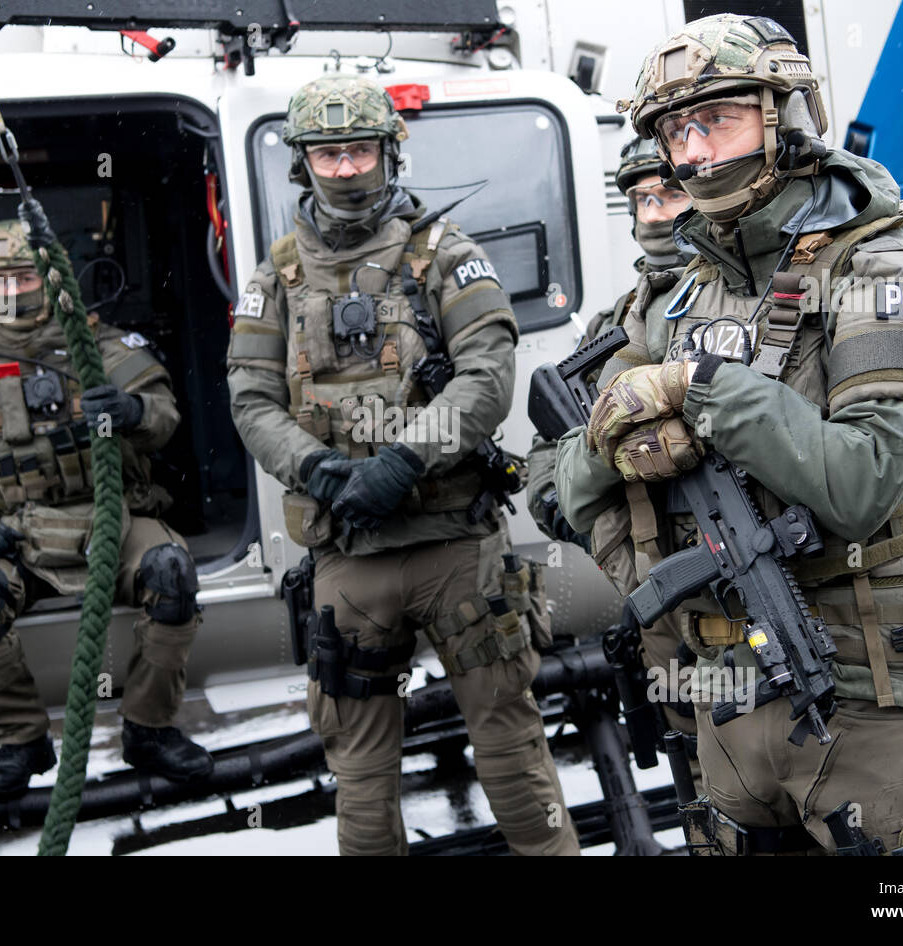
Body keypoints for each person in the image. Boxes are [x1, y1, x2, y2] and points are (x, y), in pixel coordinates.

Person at [555, 13, 903, 855]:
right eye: (675, 131)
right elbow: (563, 484)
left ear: (785, 116)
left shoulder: (886, 267)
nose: (694, 151)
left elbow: (860, 484)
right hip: (725, 710)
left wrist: (698, 391)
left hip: (869, 703)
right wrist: (618, 456)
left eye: (717, 119)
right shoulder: (681, 294)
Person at [227, 75, 579, 855]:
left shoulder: (446, 254)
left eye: (359, 151)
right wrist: (321, 471)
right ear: (303, 164)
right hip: (348, 554)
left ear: (389, 153)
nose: (346, 169)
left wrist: (401, 463)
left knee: (514, 752)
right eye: (329, 153)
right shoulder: (275, 278)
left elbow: (487, 376)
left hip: (456, 545)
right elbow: (251, 401)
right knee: (360, 775)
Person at [0, 219, 211, 799]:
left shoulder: (102, 344)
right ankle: (20, 741)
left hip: (113, 518)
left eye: (24, 275)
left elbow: (165, 416)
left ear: (49, 277)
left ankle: (149, 728)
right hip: (19, 535)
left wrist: (133, 411)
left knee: (171, 571)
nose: (12, 290)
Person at [524, 135, 699, 762]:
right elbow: (555, 441)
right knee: (701, 784)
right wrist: (566, 501)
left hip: (745, 579)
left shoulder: (744, 303)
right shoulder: (611, 327)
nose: (656, 214)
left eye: (671, 193)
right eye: (643, 200)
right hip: (654, 591)